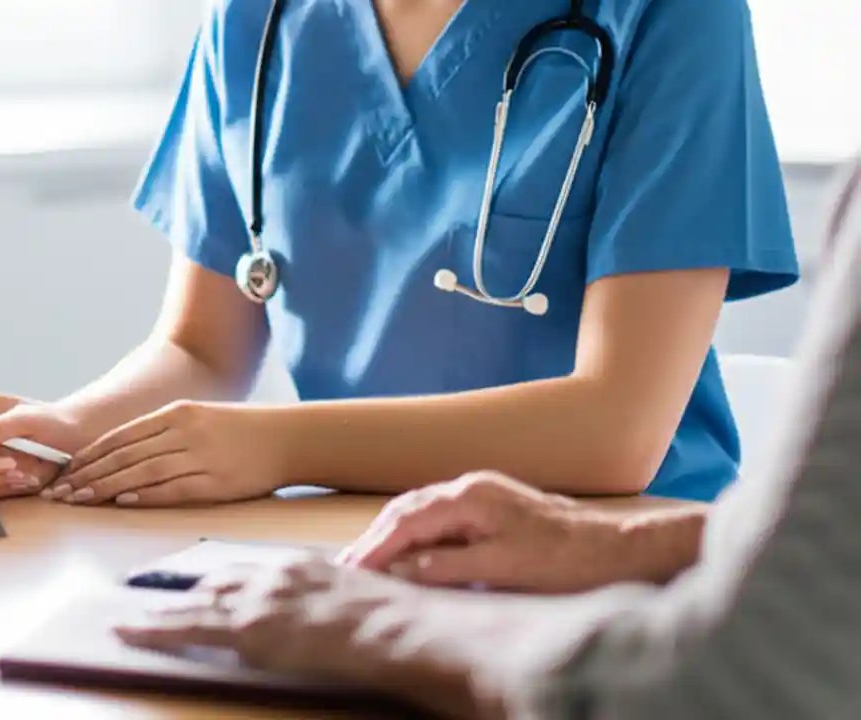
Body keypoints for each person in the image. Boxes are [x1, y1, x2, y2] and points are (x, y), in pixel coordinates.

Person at [0, 0, 797, 506]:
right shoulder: (255, 24)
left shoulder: (671, 15)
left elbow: (616, 433)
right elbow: (202, 350)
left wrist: (281, 448)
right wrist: (73, 430)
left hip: (619, 566)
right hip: (353, 548)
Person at [113, 156, 861, 718]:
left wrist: (377, 620)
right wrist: (626, 546)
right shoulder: (254, 22)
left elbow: (741, 685)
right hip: (459, 560)